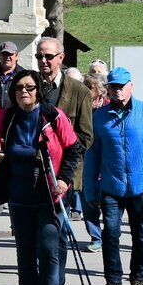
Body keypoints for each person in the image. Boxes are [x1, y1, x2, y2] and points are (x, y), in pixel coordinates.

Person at [0, 70, 78, 285]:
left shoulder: (52, 115)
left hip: (48, 195)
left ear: (39, 90)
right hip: (19, 196)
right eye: (19, 87)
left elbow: (74, 148)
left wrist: (64, 181)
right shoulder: (9, 116)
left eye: (30, 87)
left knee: (47, 251)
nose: (24, 91)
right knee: (25, 255)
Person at [83, 67, 143, 285]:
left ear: (131, 86)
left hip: (141, 187)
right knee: (110, 233)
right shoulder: (99, 117)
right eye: (113, 86)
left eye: (122, 86)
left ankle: (138, 278)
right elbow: (92, 155)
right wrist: (90, 191)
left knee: (141, 235)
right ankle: (113, 282)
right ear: (107, 89)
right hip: (111, 187)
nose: (118, 90)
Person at [34, 36, 96, 256]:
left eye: (49, 56)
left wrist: (61, 150)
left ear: (61, 58)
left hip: (63, 176)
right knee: (35, 237)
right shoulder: (29, 86)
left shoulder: (79, 92)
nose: (44, 61)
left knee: (56, 234)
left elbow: (86, 137)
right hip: (33, 173)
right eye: (39, 56)